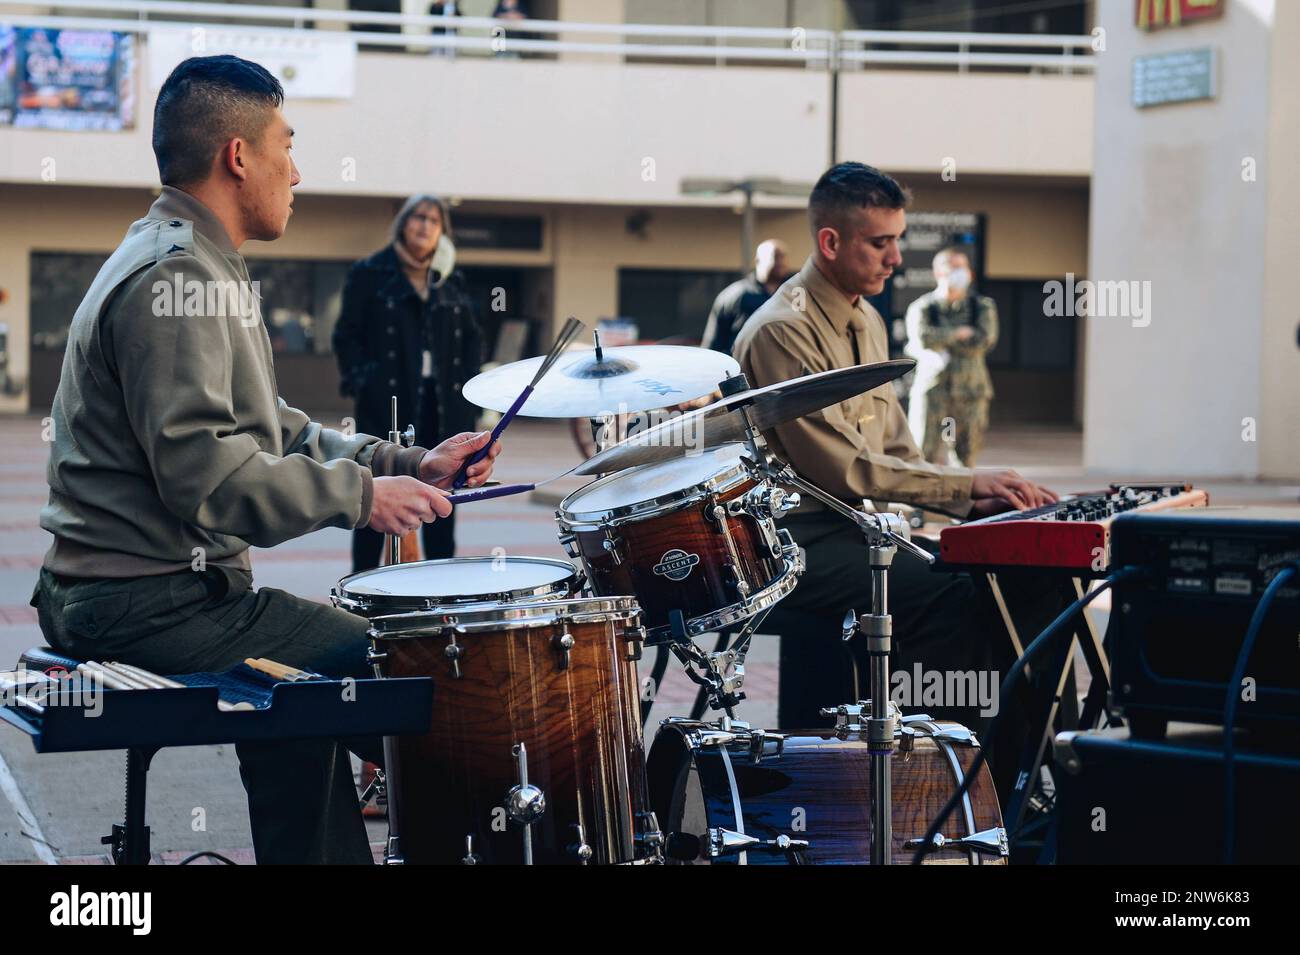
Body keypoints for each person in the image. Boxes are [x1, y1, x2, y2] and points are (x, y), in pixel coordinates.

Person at [29, 55, 501, 864]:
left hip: (149, 593)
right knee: (412, 673)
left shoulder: (197, 264)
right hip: (141, 600)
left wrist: (407, 461)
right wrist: (361, 496)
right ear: (237, 155)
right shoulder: (172, 276)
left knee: (303, 705)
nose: (299, 170)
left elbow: (271, 428)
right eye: (288, 143)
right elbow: (210, 478)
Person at [732, 162, 1062, 790]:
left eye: (897, 239)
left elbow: (899, 452)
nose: (895, 257)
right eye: (879, 243)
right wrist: (962, 485)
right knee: (951, 594)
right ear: (831, 242)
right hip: (801, 546)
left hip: (862, 532)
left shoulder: (868, 318)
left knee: (1020, 576)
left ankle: (1031, 772)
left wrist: (972, 507)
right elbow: (845, 469)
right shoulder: (781, 330)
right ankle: (950, 789)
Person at [333, 194, 483, 571]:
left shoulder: (451, 280)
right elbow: (346, 335)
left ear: (442, 233)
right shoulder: (369, 273)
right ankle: (363, 585)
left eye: (434, 221)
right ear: (403, 222)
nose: (424, 225)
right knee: (373, 493)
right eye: (418, 217)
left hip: (442, 404)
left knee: (442, 497)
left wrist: (470, 397)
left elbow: (471, 342)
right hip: (387, 402)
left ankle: (439, 588)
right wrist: (363, 380)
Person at [904, 247, 998, 465]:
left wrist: (943, 339)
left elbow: (983, 340)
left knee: (966, 457)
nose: (959, 272)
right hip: (933, 391)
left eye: (962, 267)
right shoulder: (923, 307)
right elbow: (922, 338)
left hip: (971, 393)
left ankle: (961, 499)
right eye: (953, 267)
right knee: (923, 453)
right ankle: (923, 498)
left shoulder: (981, 307)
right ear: (938, 272)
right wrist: (960, 333)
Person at [701, 239, 789, 355]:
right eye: (775, 256)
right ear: (758, 260)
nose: (781, 262)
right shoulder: (735, 295)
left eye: (783, 256)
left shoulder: (792, 295)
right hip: (741, 368)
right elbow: (713, 345)